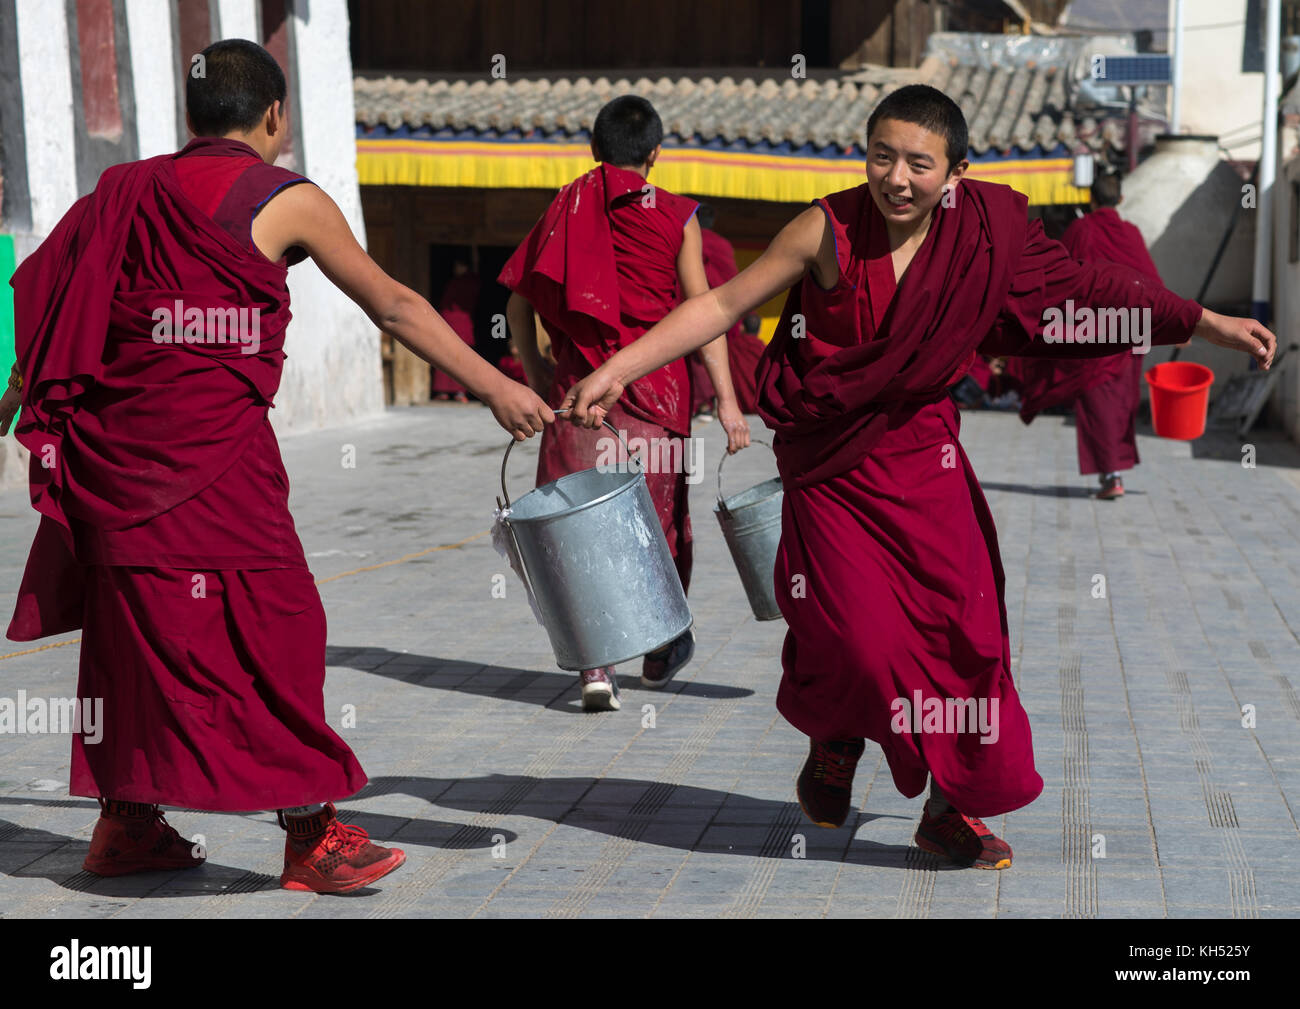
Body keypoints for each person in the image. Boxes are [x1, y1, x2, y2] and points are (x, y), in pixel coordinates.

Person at [560, 84, 1274, 867]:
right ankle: (836, 738)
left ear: (957, 172)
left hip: (926, 461)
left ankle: (950, 808)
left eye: (919, 164)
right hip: (835, 468)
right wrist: (620, 367)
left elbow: (1089, 290)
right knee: (860, 638)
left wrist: (1203, 321)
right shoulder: (824, 227)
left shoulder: (989, 233)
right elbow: (724, 304)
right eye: (882, 157)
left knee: (967, 636)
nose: (897, 178)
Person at [0, 39, 550, 893]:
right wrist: (494, 386)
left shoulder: (122, 189)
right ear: (274, 117)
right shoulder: (285, 198)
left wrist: (11, 407)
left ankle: (127, 825)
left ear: (191, 119)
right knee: (276, 631)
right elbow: (395, 302)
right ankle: (311, 835)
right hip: (217, 472)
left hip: (119, 463)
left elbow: (48, 316)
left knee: (136, 642)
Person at [499, 95, 749, 712]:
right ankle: (662, 645)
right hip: (656, 400)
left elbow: (517, 306)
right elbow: (704, 314)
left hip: (577, 396)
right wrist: (728, 401)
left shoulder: (566, 205)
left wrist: (540, 378)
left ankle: (595, 668)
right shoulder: (677, 216)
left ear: (594, 150)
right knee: (652, 527)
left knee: (576, 531)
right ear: (656, 154)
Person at [1013, 172, 1163, 499]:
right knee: (1119, 402)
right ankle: (1113, 473)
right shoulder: (1131, 233)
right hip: (1128, 330)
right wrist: (1172, 322)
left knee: (1099, 403)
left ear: (1091, 200)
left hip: (1093, 331)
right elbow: (1150, 281)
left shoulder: (1082, 229)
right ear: (1120, 200)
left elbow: (1059, 275)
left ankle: (1112, 477)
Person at [433, 256, 480, 403]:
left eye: (459, 266)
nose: (456, 270)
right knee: (445, 354)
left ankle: (459, 391)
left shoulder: (470, 282)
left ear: (465, 267)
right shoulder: (456, 282)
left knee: (459, 356)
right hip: (450, 321)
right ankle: (446, 392)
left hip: (460, 321)